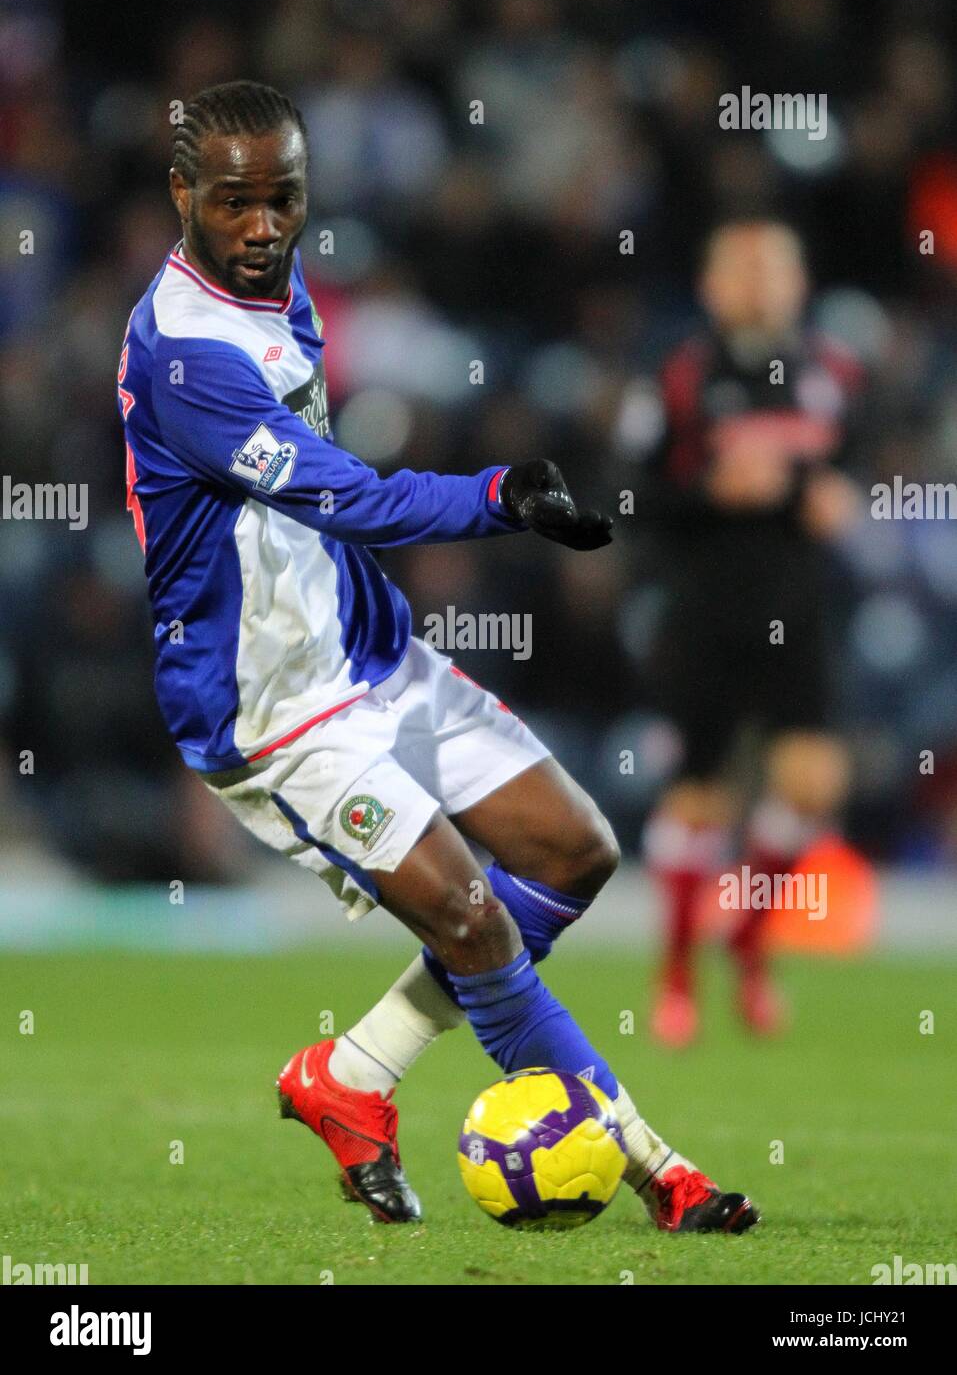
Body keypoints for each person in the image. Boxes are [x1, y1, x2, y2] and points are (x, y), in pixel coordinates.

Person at [118, 79, 757, 1232]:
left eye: (284, 200)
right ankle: (659, 1169)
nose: (264, 228)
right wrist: (500, 492)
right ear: (180, 195)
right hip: (274, 705)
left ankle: (350, 1074)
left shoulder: (279, 285)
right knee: (471, 918)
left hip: (367, 649)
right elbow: (351, 496)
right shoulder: (185, 359)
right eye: (233, 205)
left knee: (575, 850)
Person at [631, 220, 862, 1047]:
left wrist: (841, 502)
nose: (760, 282)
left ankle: (751, 941)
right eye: (743, 267)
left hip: (796, 607)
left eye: (775, 267)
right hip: (706, 607)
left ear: (798, 282)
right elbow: (630, 497)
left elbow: (851, 471)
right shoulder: (681, 374)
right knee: (699, 794)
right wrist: (709, 491)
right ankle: (677, 976)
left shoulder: (831, 372)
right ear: (711, 284)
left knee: (810, 781)